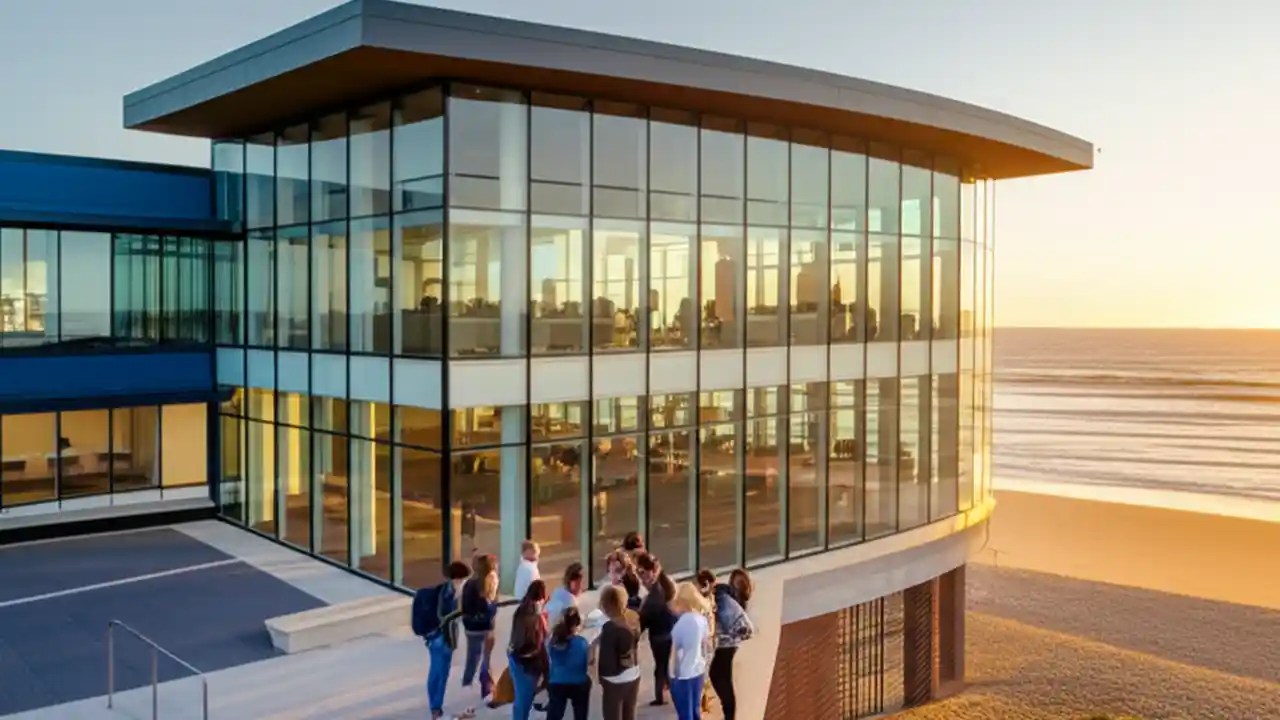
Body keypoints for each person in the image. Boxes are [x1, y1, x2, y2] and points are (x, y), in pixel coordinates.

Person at [425, 561, 471, 720]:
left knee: (440, 673)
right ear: (457, 579)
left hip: (444, 638)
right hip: (441, 638)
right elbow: (444, 616)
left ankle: (436, 706)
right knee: (438, 672)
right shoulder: (448, 593)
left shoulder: (450, 591)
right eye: (463, 579)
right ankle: (435, 708)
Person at [709, 569, 756, 720]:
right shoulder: (734, 599)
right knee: (721, 677)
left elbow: (746, 629)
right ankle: (729, 714)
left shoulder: (728, 601)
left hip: (726, 646)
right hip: (729, 644)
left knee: (719, 676)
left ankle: (729, 715)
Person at [634, 551, 676, 706]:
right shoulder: (664, 584)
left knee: (660, 666)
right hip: (667, 631)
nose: (641, 579)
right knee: (663, 666)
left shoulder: (655, 595)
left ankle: (661, 696)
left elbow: (644, 619)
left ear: (652, 571)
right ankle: (667, 690)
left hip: (659, 635)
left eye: (643, 573)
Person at [596, 585, 641, 720]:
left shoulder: (610, 628)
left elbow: (606, 660)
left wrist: (602, 679)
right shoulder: (633, 618)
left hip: (615, 679)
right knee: (630, 713)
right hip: (633, 672)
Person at [461, 553, 499, 705]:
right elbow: (489, 607)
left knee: (473, 654)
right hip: (486, 627)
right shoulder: (488, 583)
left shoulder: (471, 584)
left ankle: (467, 681)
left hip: (472, 627)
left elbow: (466, 607)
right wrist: (492, 606)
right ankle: (486, 687)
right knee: (486, 658)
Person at [669, 582, 711, 720]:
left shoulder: (679, 626)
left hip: (683, 675)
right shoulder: (702, 620)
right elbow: (706, 646)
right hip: (698, 671)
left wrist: (672, 675)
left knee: (684, 714)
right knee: (695, 711)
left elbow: (675, 655)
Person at [508, 579, 549, 720]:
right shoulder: (534, 617)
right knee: (524, 701)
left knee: (521, 700)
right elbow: (537, 644)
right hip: (527, 664)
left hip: (517, 660)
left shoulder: (521, 611)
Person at [545, 607, 591, 720]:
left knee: (555, 712)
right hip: (578, 683)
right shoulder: (582, 642)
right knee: (585, 685)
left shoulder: (553, 641)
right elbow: (587, 663)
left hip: (557, 683)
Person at [694, 570, 719, 715]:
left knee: (703, 672)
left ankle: (702, 701)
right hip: (707, 639)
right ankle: (703, 701)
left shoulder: (703, 600)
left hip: (705, 640)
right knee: (705, 672)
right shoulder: (707, 599)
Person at [546, 562, 585, 627]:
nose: (581, 587)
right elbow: (575, 625)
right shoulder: (570, 601)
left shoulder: (558, 590)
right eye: (580, 583)